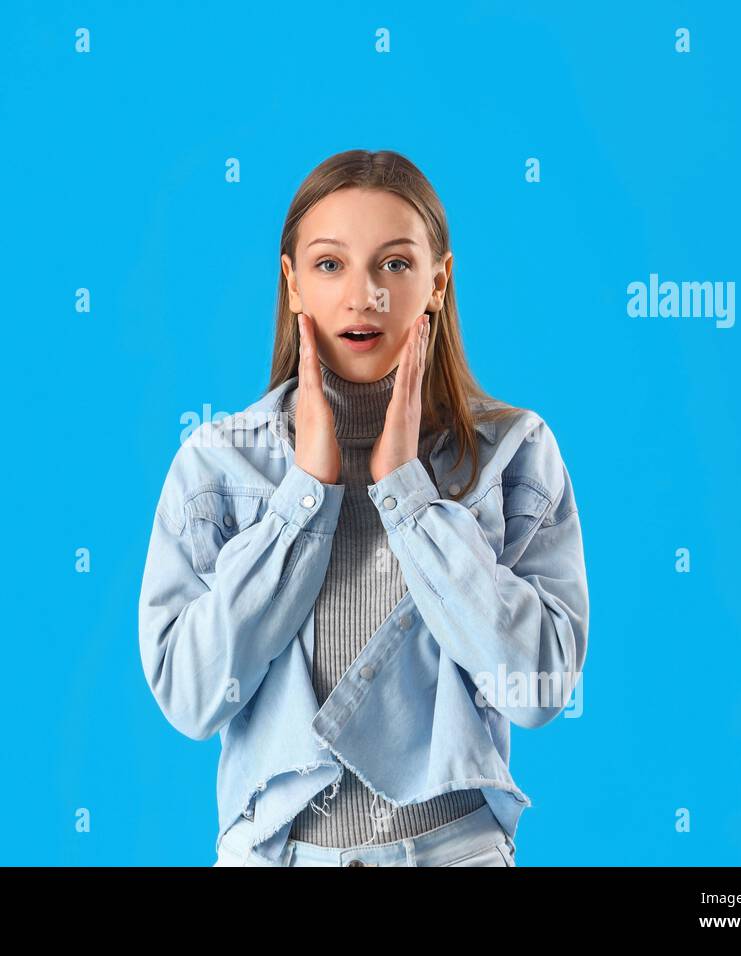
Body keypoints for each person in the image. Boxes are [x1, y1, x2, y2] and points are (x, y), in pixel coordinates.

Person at [138, 149, 589, 866]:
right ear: (291, 284)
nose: (364, 295)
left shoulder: (514, 451)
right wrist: (305, 495)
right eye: (329, 264)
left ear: (438, 281)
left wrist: (408, 494)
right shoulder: (217, 463)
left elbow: (536, 687)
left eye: (396, 265)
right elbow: (192, 700)